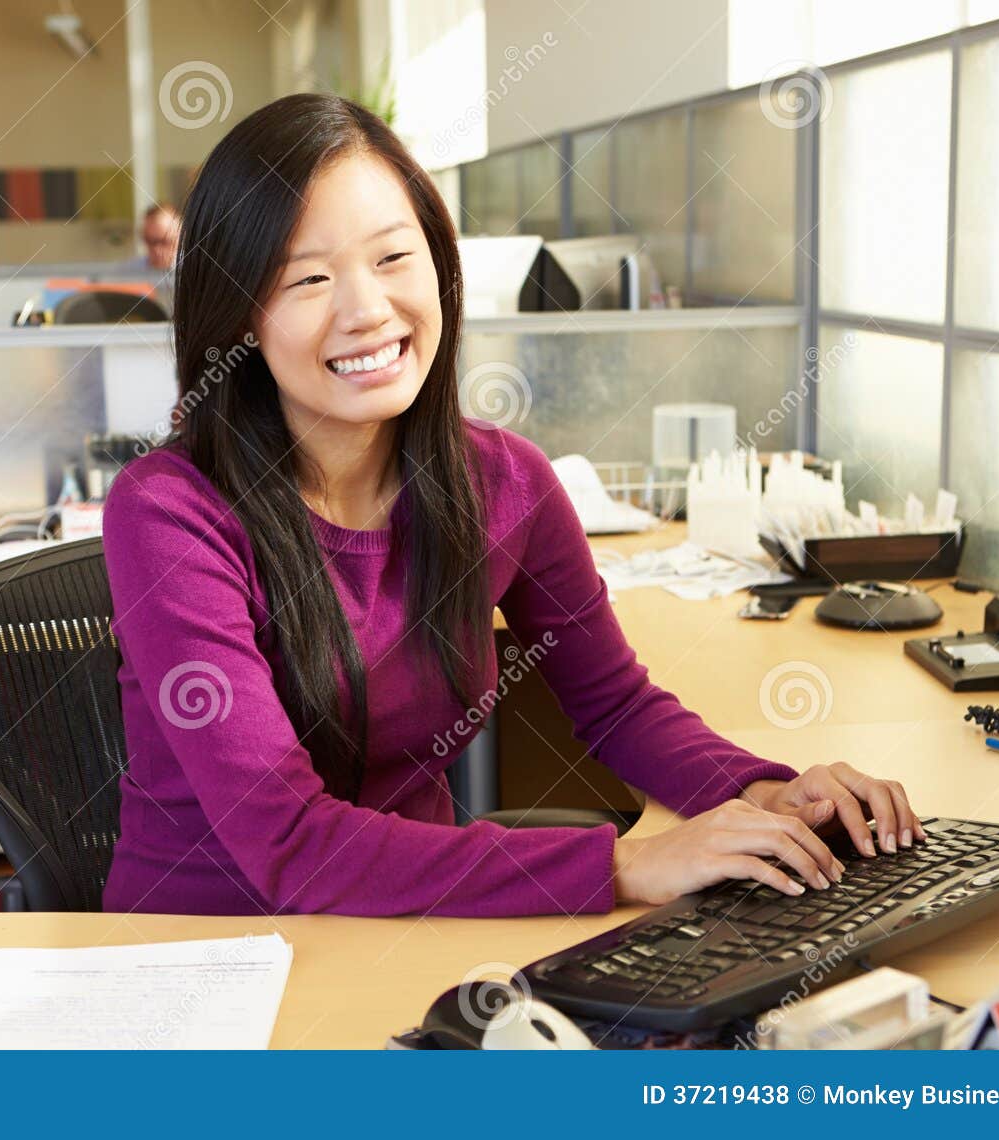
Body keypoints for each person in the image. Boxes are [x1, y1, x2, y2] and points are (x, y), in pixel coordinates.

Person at [101, 94, 923, 918]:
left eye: (393, 258)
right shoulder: (169, 514)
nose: (367, 310)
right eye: (308, 278)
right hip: (201, 966)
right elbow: (289, 845)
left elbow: (615, 704)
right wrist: (626, 866)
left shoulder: (505, 482)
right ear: (240, 313)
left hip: (404, 934)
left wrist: (768, 796)